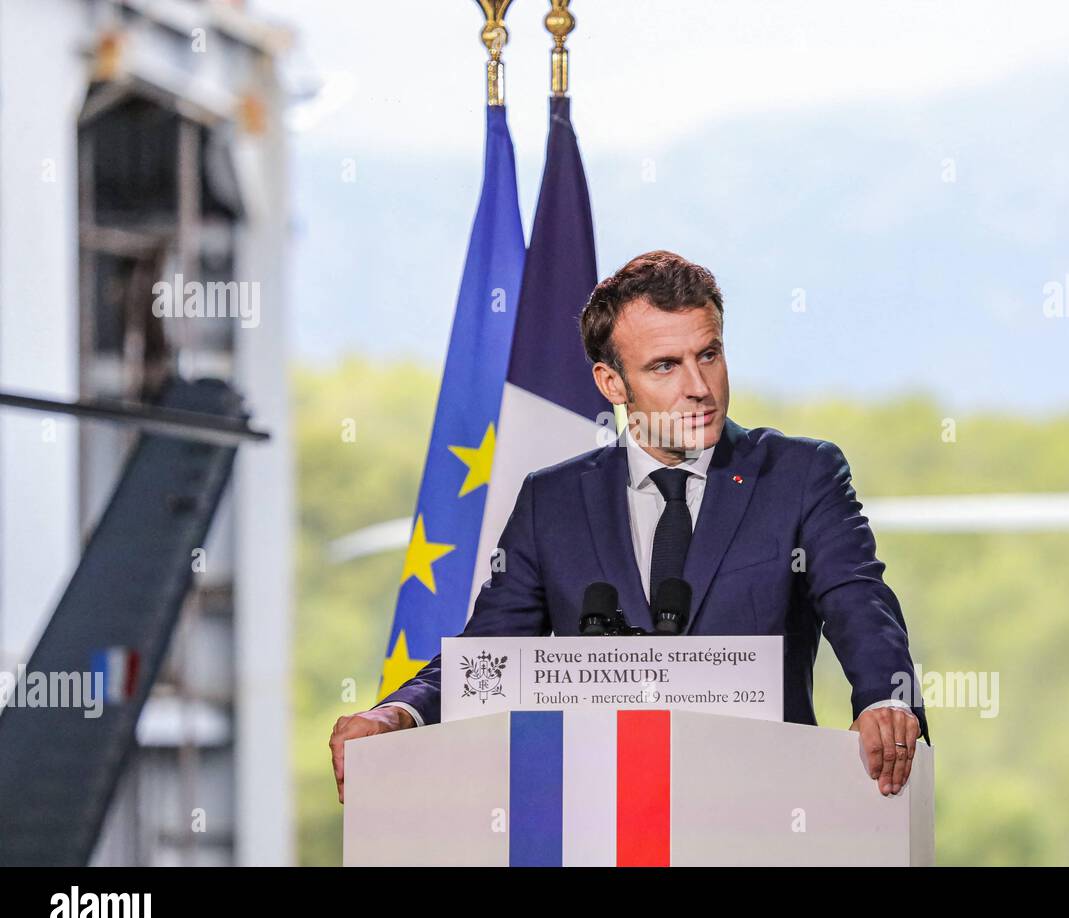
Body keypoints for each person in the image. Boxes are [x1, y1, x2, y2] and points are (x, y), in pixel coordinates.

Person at [331, 251, 928, 802]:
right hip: (600, 813)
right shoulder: (553, 501)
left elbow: (858, 599)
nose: (699, 388)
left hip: (763, 810)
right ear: (612, 384)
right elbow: (491, 648)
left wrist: (883, 698)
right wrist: (399, 714)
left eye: (709, 355)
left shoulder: (799, 474)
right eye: (665, 366)